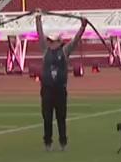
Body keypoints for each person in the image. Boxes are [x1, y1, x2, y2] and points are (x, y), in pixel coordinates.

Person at [35, 10, 86, 153]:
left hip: (59, 90)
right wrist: (38, 20)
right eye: (49, 40)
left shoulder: (65, 51)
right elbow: (39, 34)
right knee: (47, 117)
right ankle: (47, 142)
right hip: (47, 90)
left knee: (61, 118)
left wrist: (82, 27)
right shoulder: (45, 50)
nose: (50, 43)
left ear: (58, 41)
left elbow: (76, 40)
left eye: (52, 41)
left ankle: (63, 142)